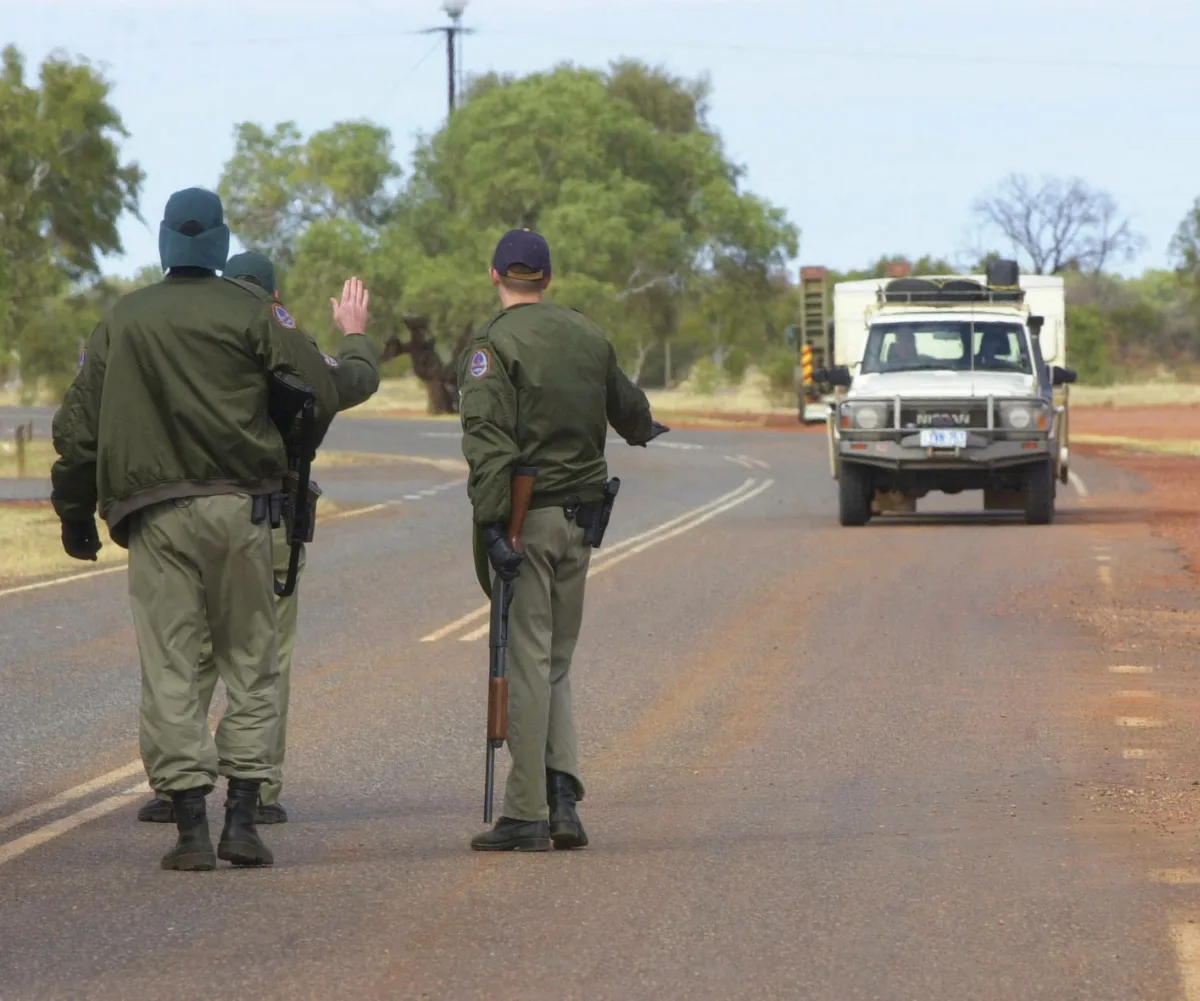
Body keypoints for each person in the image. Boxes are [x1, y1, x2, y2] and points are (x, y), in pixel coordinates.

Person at [50, 187, 346, 871]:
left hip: (152, 516)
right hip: (245, 509)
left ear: (163, 242)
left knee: (173, 664)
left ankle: (189, 827)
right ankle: (242, 817)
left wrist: (74, 514)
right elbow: (320, 390)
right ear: (217, 242)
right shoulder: (253, 311)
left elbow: (78, 431)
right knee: (252, 658)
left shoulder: (122, 320)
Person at [134, 251, 380, 827]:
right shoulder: (290, 342)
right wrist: (355, 334)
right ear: (274, 295)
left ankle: (178, 784)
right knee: (265, 653)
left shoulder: (197, 343)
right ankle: (260, 788)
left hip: (188, 511)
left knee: (186, 649)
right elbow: (354, 381)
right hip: (269, 518)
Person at [458, 228, 667, 852]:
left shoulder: (492, 345)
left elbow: (489, 445)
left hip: (528, 520)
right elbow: (634, 414)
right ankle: (563, 799)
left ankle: (524, 813)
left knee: (526, 661)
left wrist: (496, 528)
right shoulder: (586, 334)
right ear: (546, 279)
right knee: (555, 663)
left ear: (495, 275)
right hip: (583, 520)